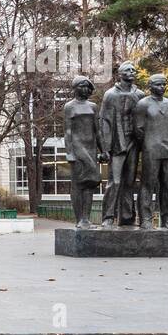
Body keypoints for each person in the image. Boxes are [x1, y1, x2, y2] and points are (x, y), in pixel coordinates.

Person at [97, 60, 144, 227]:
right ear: (120, 74)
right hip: (117, 143)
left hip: (134, 142)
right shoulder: (110, 95)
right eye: (128, 70)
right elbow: (104, 123)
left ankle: (127, 217)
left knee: (130, 182)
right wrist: (105, 148)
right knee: (115, 181)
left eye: (133, 70)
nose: (132, 72)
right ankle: (108, 217)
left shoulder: (140, 95)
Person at [133, 73, 168, 230]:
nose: (161, 87)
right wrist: (148, 144)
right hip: (151, 149)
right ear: (150, 86)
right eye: (158, 84)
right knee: (148, 184)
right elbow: (138, 129)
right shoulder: (143, 104)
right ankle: (146, 219)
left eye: (163, 84)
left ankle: (167, 218)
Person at [63, 76, 101, 228]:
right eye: (82, 86)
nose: (85, 89)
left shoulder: (93, 106)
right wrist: (69, 152)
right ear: (75, 88)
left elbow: (97, 131)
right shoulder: (69, 106)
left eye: (87, 87)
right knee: (78, 184)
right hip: (77, 148)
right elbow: (67, 131)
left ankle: (86, 218)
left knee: (90, 184)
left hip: (91, 149)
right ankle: (80, 219)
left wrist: (103, 150)